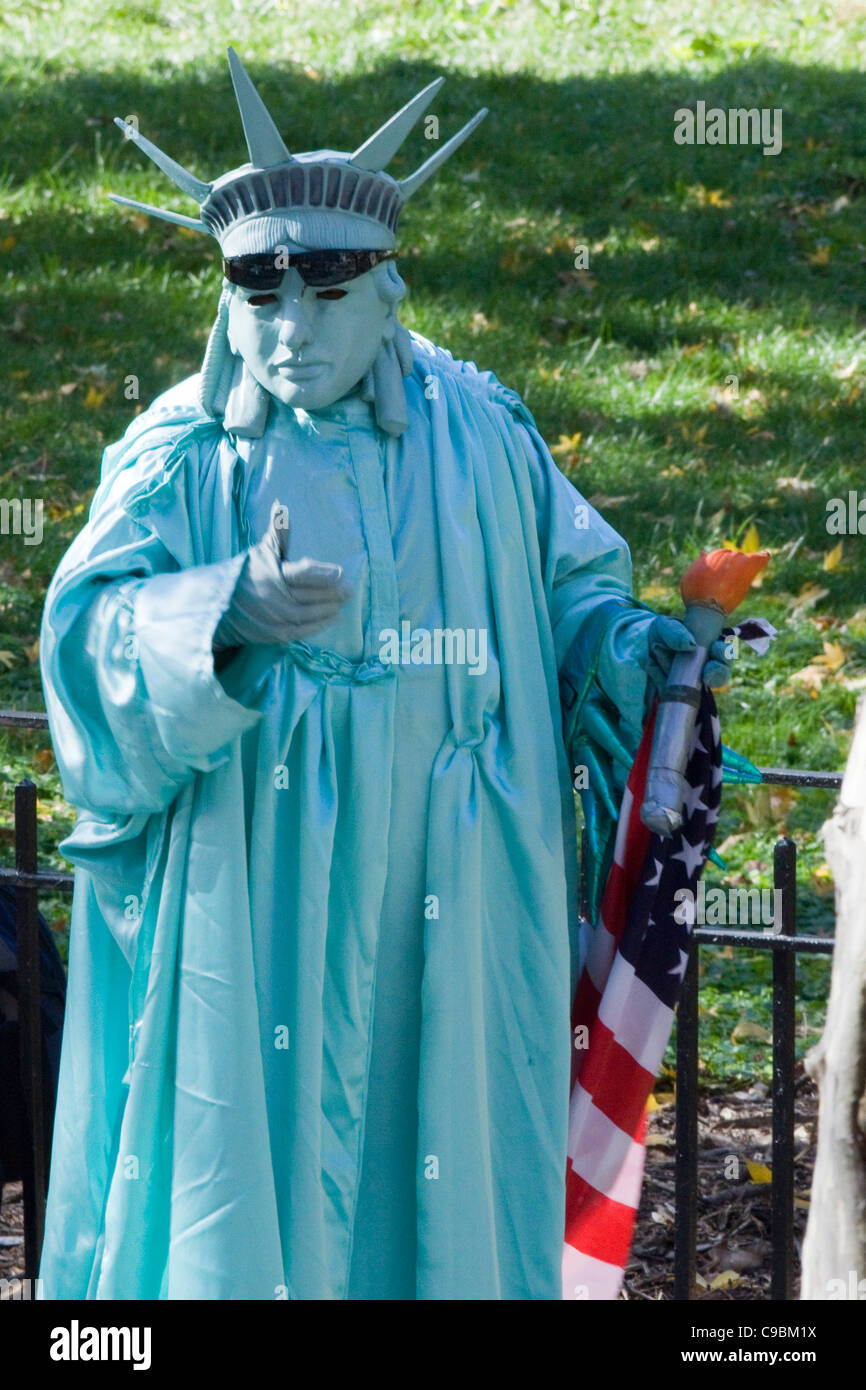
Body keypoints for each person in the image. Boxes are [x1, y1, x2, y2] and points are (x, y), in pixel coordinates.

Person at [37, 50, 728, 1300]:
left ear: (385, 291)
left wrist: (647, 654)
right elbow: (85, 642)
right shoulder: (182, 456)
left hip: (452, 877)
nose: (290, 332)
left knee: (443, 1160)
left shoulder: (485, 434)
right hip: (253, 875)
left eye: (325, 295)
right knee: (247, 1171)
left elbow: (571, 604)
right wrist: (222, 613)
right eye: (260, 300)